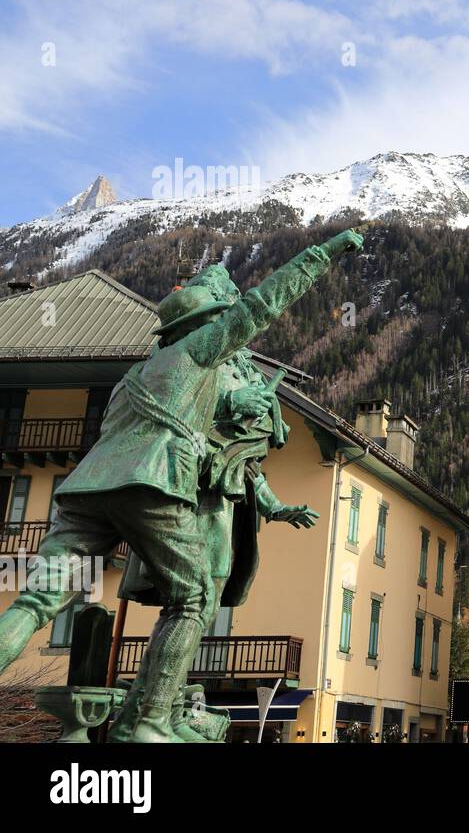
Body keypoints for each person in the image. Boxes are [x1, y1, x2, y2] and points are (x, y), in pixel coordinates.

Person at [0, 228, 362, 742]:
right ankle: (148, 724)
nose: (227, 329)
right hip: (152, 486)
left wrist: (233, 409)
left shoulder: (134, 376)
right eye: (219, 319)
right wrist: (323, 253)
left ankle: (145, 719)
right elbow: (263, 303)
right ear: (203, 323)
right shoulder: (199, 352)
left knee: (33, 604)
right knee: (193, 599)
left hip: (83, 494)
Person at [110, 264, 320, 742]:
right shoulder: (196, 362)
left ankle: (163, 704)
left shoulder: (234, 365)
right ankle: (152, 712)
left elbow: (242, 459)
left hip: (222, 499)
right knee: (190, 602)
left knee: (201, 603)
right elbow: (197, 427)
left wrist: (274, 506)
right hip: (188, 492)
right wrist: (231, 405)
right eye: (222, 305)